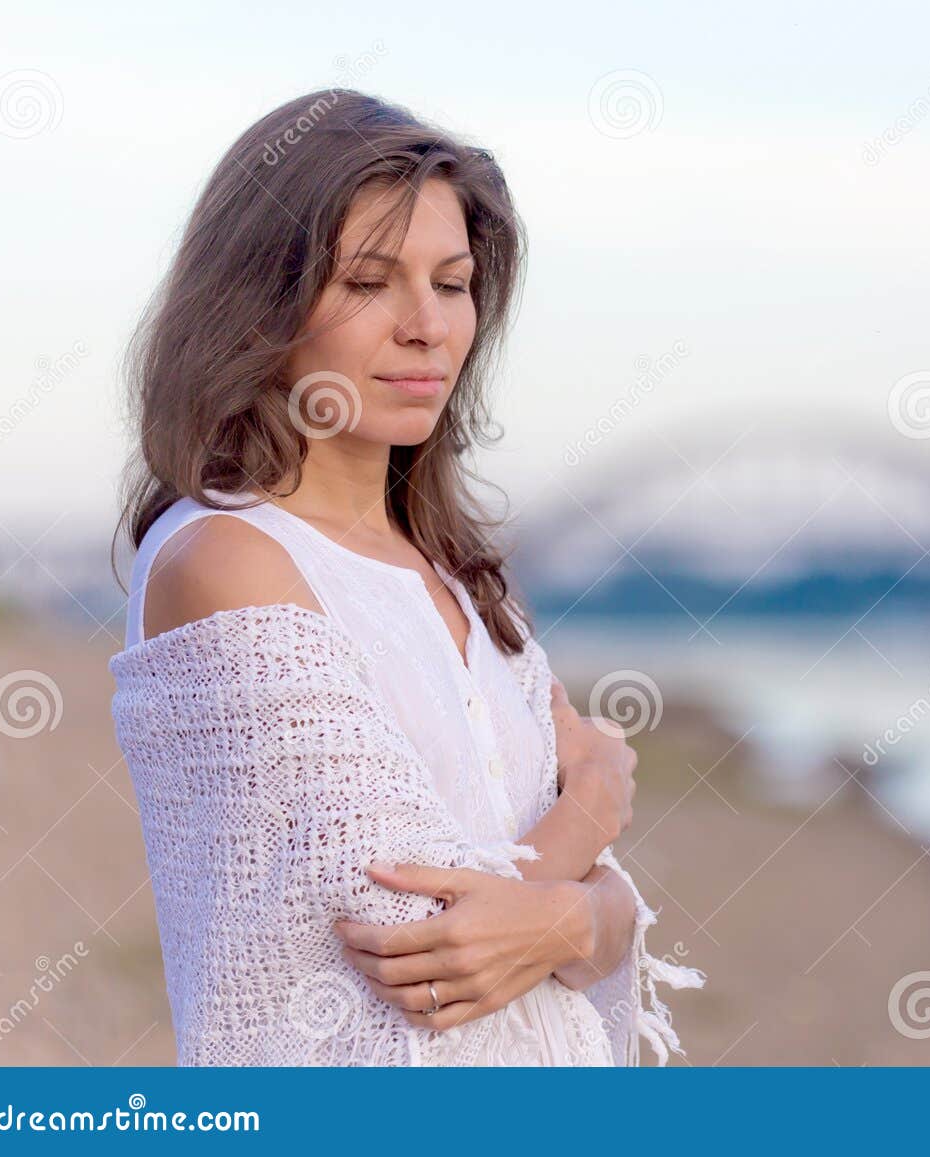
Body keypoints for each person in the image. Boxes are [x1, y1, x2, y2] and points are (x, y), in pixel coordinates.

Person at [107, 89, 704, 1066]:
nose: (427, 326)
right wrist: (591, 814)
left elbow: (567, 912)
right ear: (257, 306)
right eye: (369, 282)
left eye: (454, 282)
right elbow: (423, 934)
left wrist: (576, 908)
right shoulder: (228, 559)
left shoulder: (466, 584)